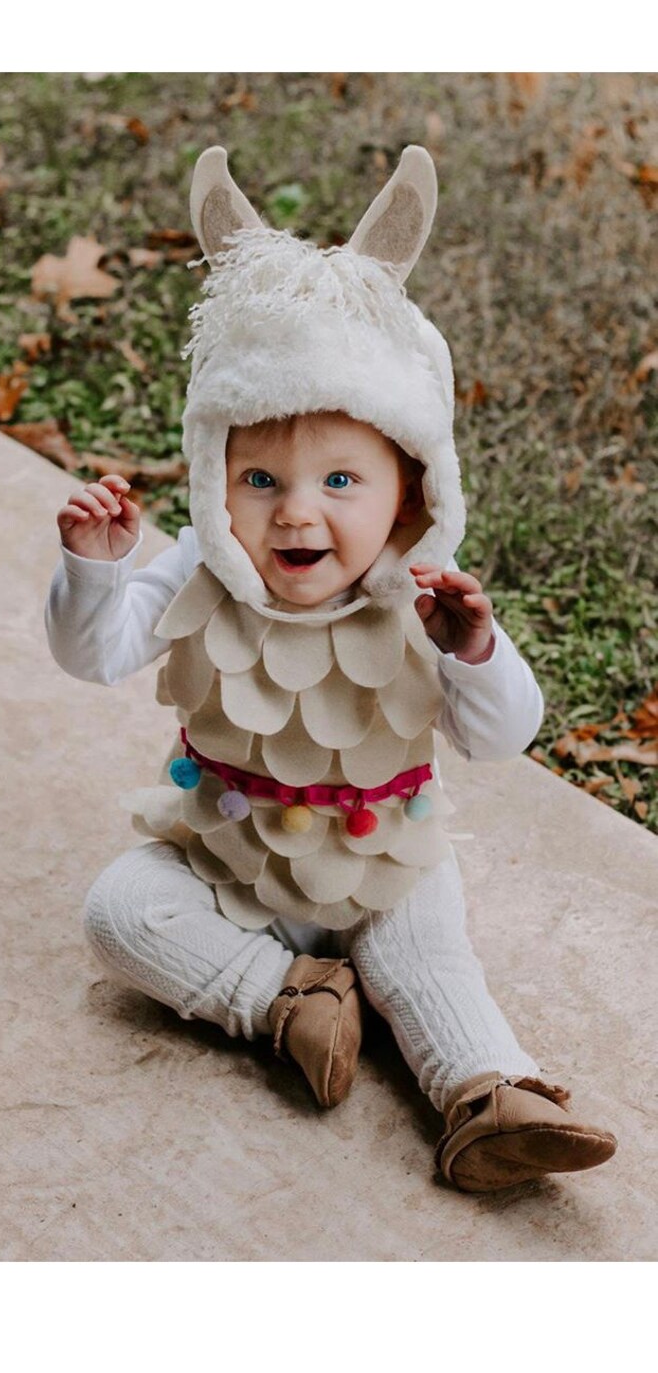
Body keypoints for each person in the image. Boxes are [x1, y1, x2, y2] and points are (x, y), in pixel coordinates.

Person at [45, 145, 616, 1193]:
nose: (294, 510)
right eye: (256, 476)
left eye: (340, 478)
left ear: (409, 493)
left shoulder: (423, 597)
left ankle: (488, 1093)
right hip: (222, 860)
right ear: (214, 467)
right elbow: (97, 655)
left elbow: (500, 735)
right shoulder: (200, 564)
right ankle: (283, 996)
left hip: (382, 860)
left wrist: (475, 654)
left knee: (427, 959)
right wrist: (96, 571)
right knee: (119, 912)